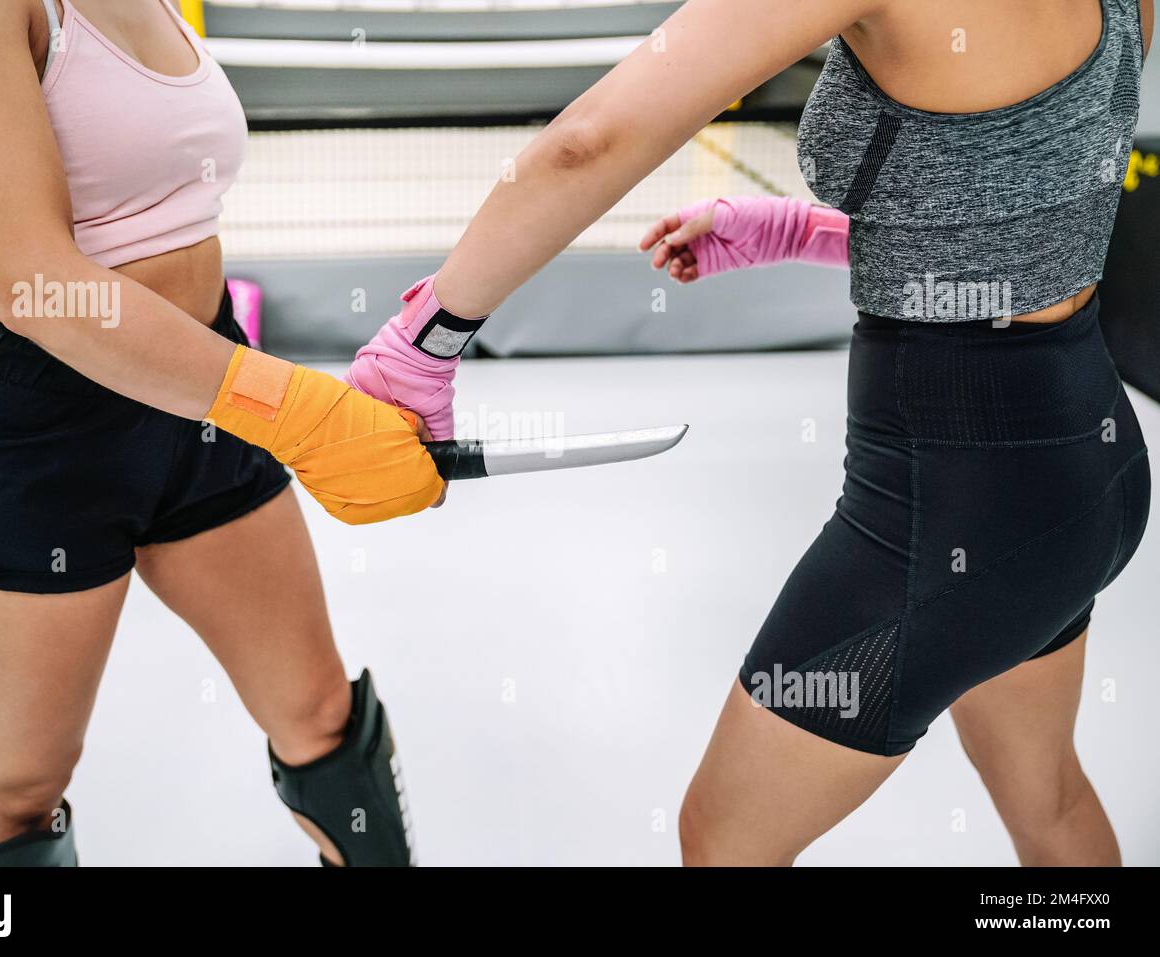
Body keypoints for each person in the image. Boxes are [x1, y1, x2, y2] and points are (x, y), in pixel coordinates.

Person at [348, 0, 1154, 865]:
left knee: (727, 839)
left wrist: (423, 339)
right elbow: (1038, 190)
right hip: (1084, 468)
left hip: (954, 509)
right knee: (1049, 799)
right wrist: (798, 230)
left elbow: (590, 142)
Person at [0, 0, 442, 866]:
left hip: (199, 386)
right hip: (31, 426)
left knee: (324, 715)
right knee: (20, 786)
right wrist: (299, 411)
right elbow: (33, 283)